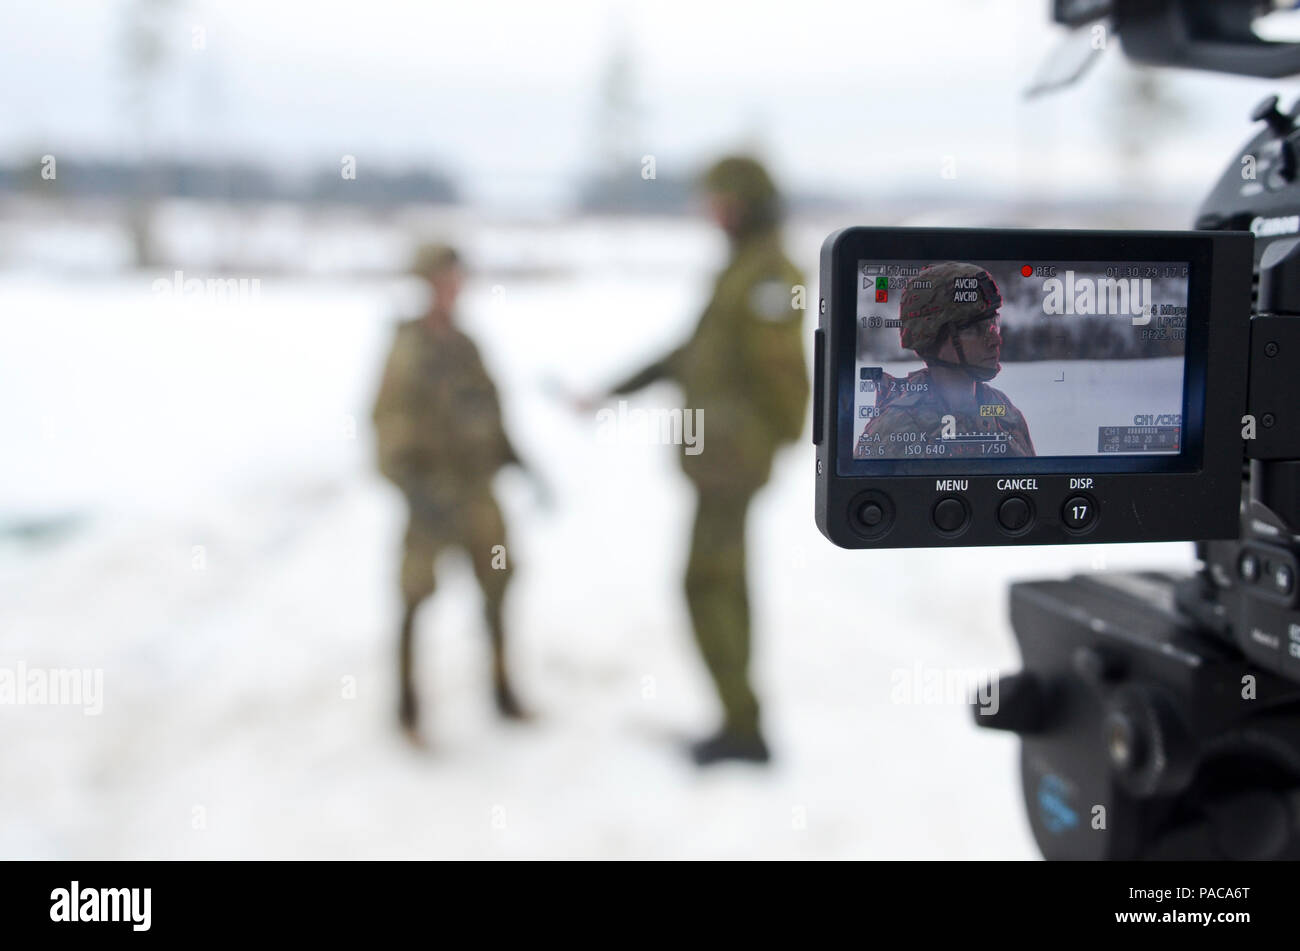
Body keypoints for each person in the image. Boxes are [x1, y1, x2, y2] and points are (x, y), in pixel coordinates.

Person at [578, 156, 809, 766]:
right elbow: (694, 353)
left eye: (721, 200)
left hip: (732, 464)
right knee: (715, 583)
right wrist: (613, 390)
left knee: (708, 584)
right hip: (718, 462)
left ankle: (743, 726)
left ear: (748, 202)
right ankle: (740, 720)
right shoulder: (740, 268)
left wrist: (774, 441)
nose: (711, 211)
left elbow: (784, 374)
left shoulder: (768, 273)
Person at [372, 242, 532, 744]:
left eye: (458, 279)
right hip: (431, 494)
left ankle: (504, 690)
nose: (454, 288)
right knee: (415, 596)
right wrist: (411, 488)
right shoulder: (408, 349)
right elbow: (386, 425)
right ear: (427, 284)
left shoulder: (466, 346)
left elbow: (490, 408)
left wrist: (514, 455)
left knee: (501, 581)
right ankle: (407, 706)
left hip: (478, 493)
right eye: (445, 279)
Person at [856, 262, 1036, 459]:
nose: (995, 340)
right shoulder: (894, 428)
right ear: (932, 336)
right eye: (974, 329)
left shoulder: (1004, 412)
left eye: (993, 324)